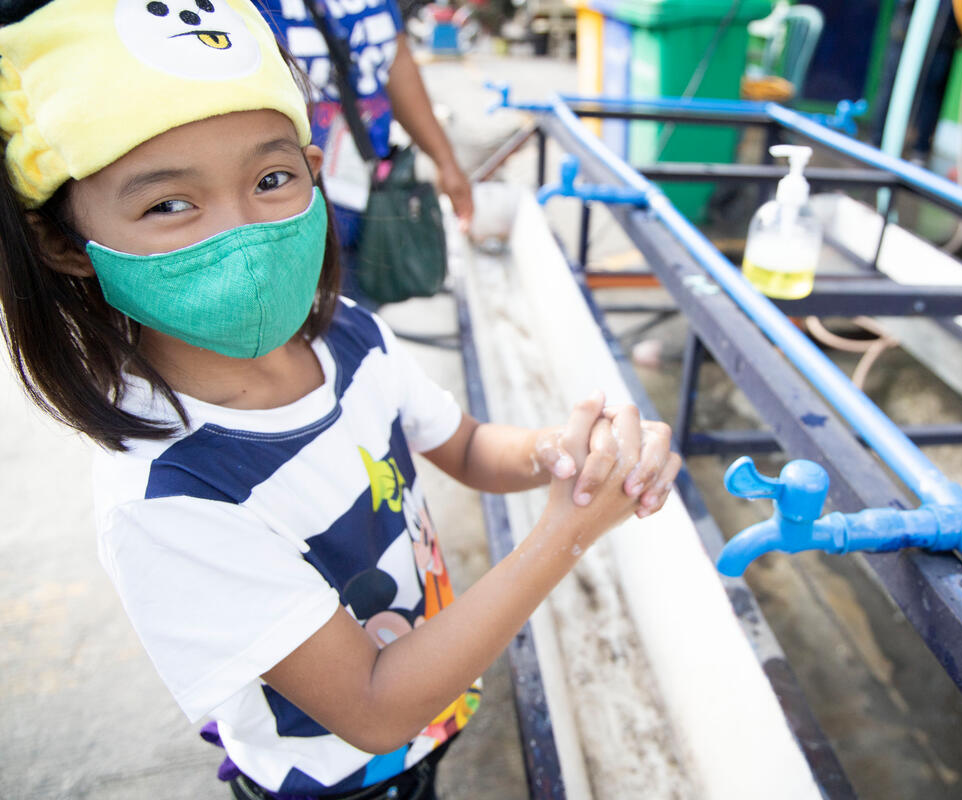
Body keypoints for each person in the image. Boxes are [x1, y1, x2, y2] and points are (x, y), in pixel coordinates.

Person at [0, 2, 681, 798]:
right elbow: (374, 707)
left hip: (433, 716)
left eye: (271, 180)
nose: (243, 234)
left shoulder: (349, 336)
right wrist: (568, 531)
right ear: (61, 242)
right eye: (169, 204)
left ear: (314, 171)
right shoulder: (167, 496)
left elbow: (464, 447)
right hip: (336, 781)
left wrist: (560, 454)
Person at [252, 0, 474, 291]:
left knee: (356, 307)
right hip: (278, 231)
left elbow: (396, 60)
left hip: (364, 207)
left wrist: (446, 162)